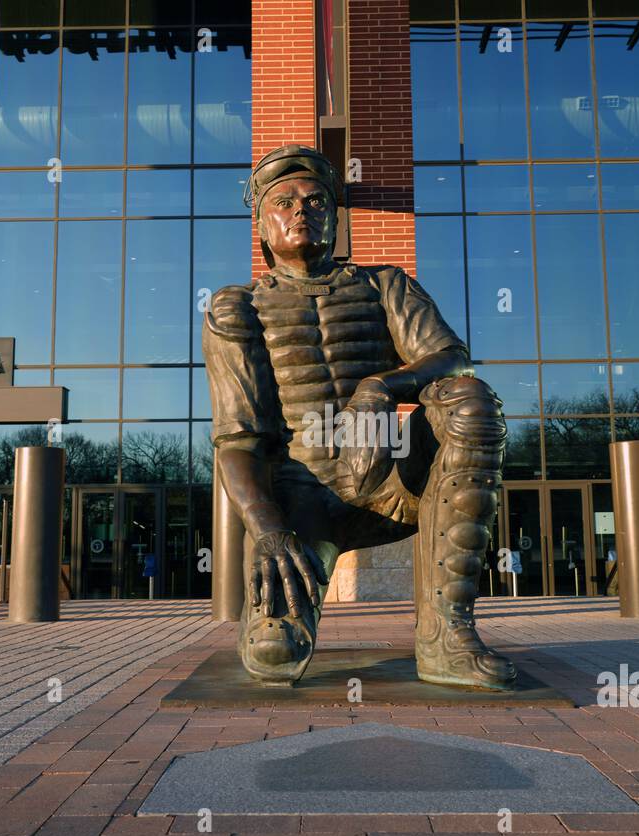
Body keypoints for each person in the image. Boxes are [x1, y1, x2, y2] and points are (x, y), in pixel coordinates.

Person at [203, 144, 515, 690]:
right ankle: (286, 606)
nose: (302, 209)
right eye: (284, 201)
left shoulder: (383, 285)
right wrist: (269, 531)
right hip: (302, 493)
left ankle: (446, 637)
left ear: (335, 216)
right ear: (262, 223)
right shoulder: (240, 307)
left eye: (317, 200)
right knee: (276, 655)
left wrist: (380, 385)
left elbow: (452, 356)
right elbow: (237, 440)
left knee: (469, 400)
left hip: (386, 476)